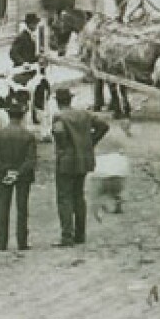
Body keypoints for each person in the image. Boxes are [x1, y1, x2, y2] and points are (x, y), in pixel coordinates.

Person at [51, 88, 110, 247]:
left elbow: (59, 136)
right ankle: (80, 234)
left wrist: (63, 149)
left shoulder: (59, 117)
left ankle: (67, 236)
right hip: (83, 159)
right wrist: (90, 142)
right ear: (70, 99)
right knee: (78, 196)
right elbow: (104, 126)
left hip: (66, 161)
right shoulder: (84, 114)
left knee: (64, 198)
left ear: (57, 101)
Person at [0, 105, 36, 251]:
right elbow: (31, 159)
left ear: (9, 116)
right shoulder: (28, 135)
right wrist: (18, 172)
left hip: (3, 176)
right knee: (22, 209)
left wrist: (5, 170)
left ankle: (2, 243)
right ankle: (22, 242)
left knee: (3, 208)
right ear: (22, 116)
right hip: (23, 176)